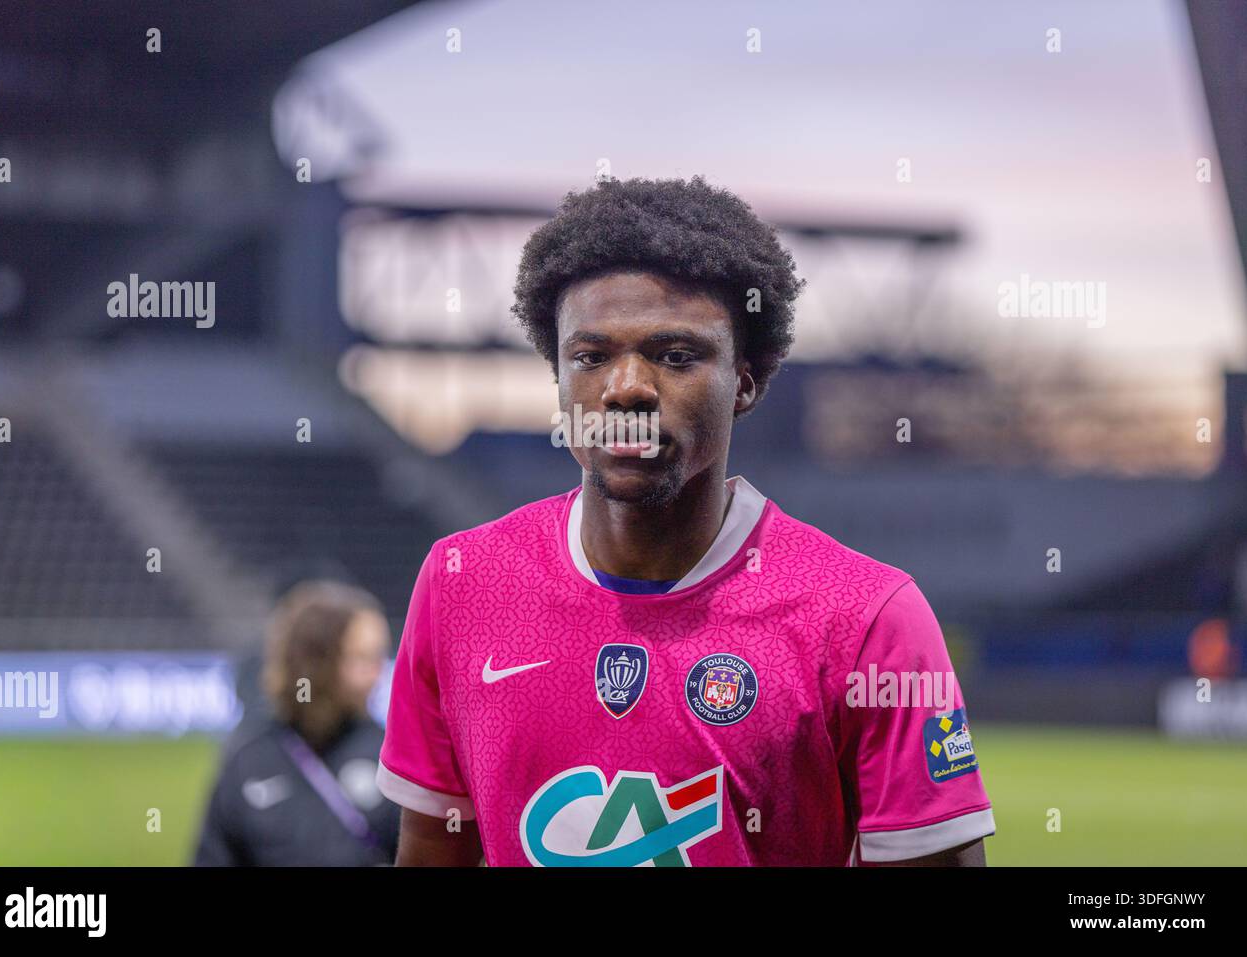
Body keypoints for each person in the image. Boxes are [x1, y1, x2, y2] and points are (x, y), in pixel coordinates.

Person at [377, 175, 994, 866]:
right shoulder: (463, 581)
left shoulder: (866, 619)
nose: (627, 386)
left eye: (675, 356)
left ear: (747, 380)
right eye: (590, 355)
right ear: (558, 377)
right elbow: (432, 850)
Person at [194, 580, 401, 865]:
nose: (378, 674)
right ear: (317, 662)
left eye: (380, 658)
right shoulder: (248, 760)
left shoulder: (393, 757)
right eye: (363, 659)